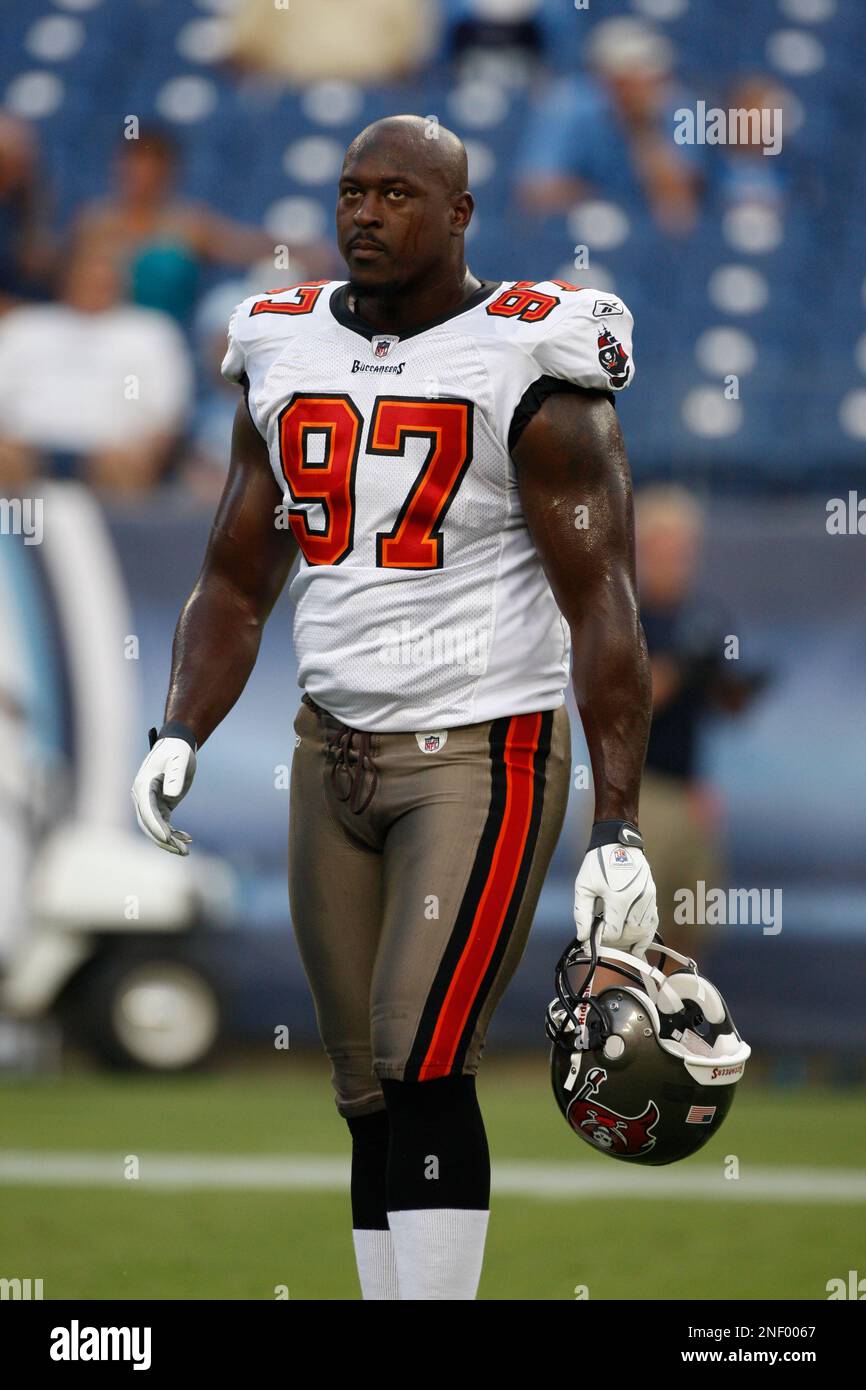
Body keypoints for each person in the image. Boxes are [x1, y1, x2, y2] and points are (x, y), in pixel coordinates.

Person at [131, 115, 656, 1301]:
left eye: (397, 195)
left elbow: (604, 603)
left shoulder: (533, 353)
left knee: (422, 1055)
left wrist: (615, 822)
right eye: (349, 192)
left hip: (483, 747)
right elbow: (232, 578)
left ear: (460, 213)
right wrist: (179, 728)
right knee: (365, 1081)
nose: (364, 214)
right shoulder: (280, 340)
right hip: (333, 752)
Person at [635, 485, 767, 961]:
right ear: (644, 548)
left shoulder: (705, 615)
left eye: (683, 546)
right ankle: (610, 1034)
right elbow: (633, 700)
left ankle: (670, 1033)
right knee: (626, 936)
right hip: (634, 792)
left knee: (689, 934)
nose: (675, 556)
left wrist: (736, 687)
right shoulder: (624, 614)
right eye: (664, 544)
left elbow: (726, 707)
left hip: (691, 788)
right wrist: (680, 666)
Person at [0, 244, 192, 493]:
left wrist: (147, 447)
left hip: (112, 451)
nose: (94, 287)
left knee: (125, 464)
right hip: (27, 446)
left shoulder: (150, 331)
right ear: (66, 280)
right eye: (86, 279)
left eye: (103, 280)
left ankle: (126, 530)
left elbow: (167, 412)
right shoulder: (25, 325)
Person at [516, 17, 703, 235]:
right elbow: (536, 191)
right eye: (630, 78)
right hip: (577, 229)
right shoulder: (566, 104)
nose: (641, 87)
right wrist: (608, 201)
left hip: (645, 234)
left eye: (650, 77)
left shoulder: (677, 105)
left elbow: (680, 204)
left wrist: (644, 129)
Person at [73, 129, 273, 323]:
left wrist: (291, 252)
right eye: (133, 167)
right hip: (101, 332)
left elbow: (245, 247)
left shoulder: (188, 224)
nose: (140, 177)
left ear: (166, 173)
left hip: (165, 338)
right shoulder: (95, 223)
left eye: (149, 168)